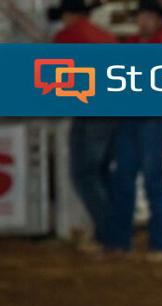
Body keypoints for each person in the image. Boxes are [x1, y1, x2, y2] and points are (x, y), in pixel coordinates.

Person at [106, 0, 162, 261]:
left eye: (149, 16)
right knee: (127, 178)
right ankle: (133, 242)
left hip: (151, 118)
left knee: (146, 178)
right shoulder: (146, 42)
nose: (143, 21)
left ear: (160, 20)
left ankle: (150, 243)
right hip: (141, 118)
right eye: (142, 16)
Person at [48, 0, 118, 255]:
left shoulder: (66, 36)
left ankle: (108, 234)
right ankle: (113, 232)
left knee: (85, 174)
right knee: (100, 173)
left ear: (68, 15)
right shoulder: (106, 36)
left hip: (89, 111)